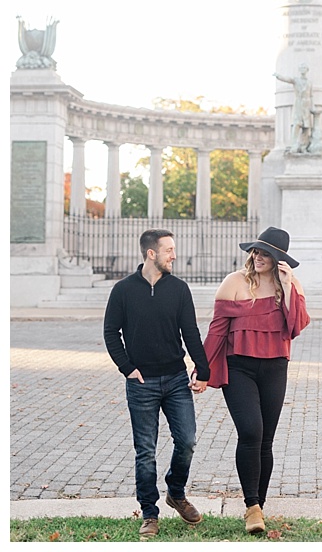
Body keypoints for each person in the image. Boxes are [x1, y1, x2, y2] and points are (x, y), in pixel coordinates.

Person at [202, 226, 309, 534]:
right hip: (239, 367)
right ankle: (251, 506)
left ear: (278, 259)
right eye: (256, 252)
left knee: (266, 440)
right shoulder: (234, 282)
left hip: (275, 366)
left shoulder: (290, 284)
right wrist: (202, 369)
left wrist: (287, 287)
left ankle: (257, 507)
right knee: (250, 431)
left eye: (266, 254)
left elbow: (296, 326)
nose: (258, 257)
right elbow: (217, 331)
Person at [103, 229, 210, 537]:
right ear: (151, 253)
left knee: (187, 440)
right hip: (141, 383)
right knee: (145, 451)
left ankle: (176, 492)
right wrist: (127, 368)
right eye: (168, 250)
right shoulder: (123, 290)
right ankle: (150, 513)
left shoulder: (179, 289)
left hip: (176, 378)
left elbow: (190, 332)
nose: (174, 255)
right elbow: (111, 332)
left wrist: (203, 369)